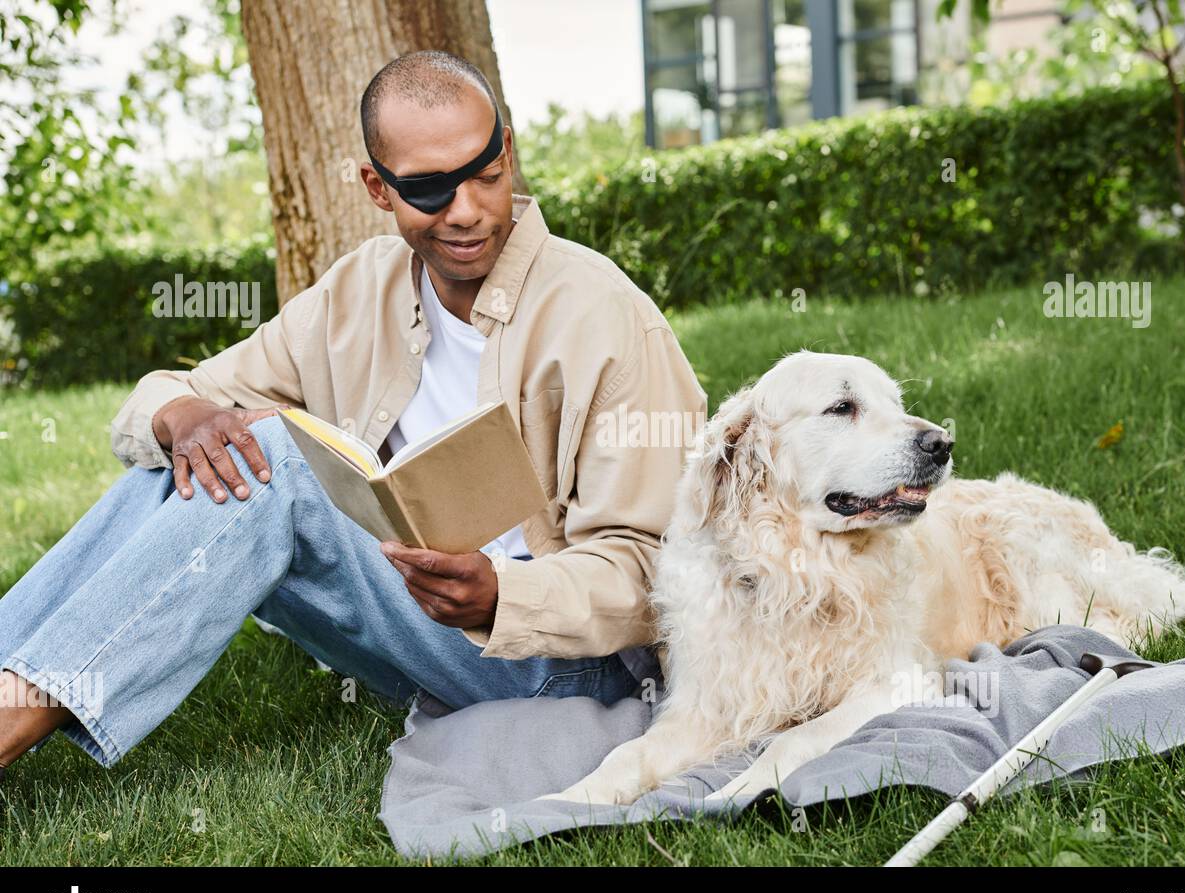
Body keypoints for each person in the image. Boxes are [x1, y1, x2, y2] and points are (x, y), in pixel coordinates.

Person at [0, 50, 707, 781]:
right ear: (378, 186)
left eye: (487, 174)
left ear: (507, 150)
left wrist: (503, 594)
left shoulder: (605, 316)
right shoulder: (360, 290)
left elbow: (654, 574)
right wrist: (180, 415)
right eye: (430, 189)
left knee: (267, 460)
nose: (466, 210)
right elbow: (173, 394)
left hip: (557, 664)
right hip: (418, 617)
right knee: (203, 449)